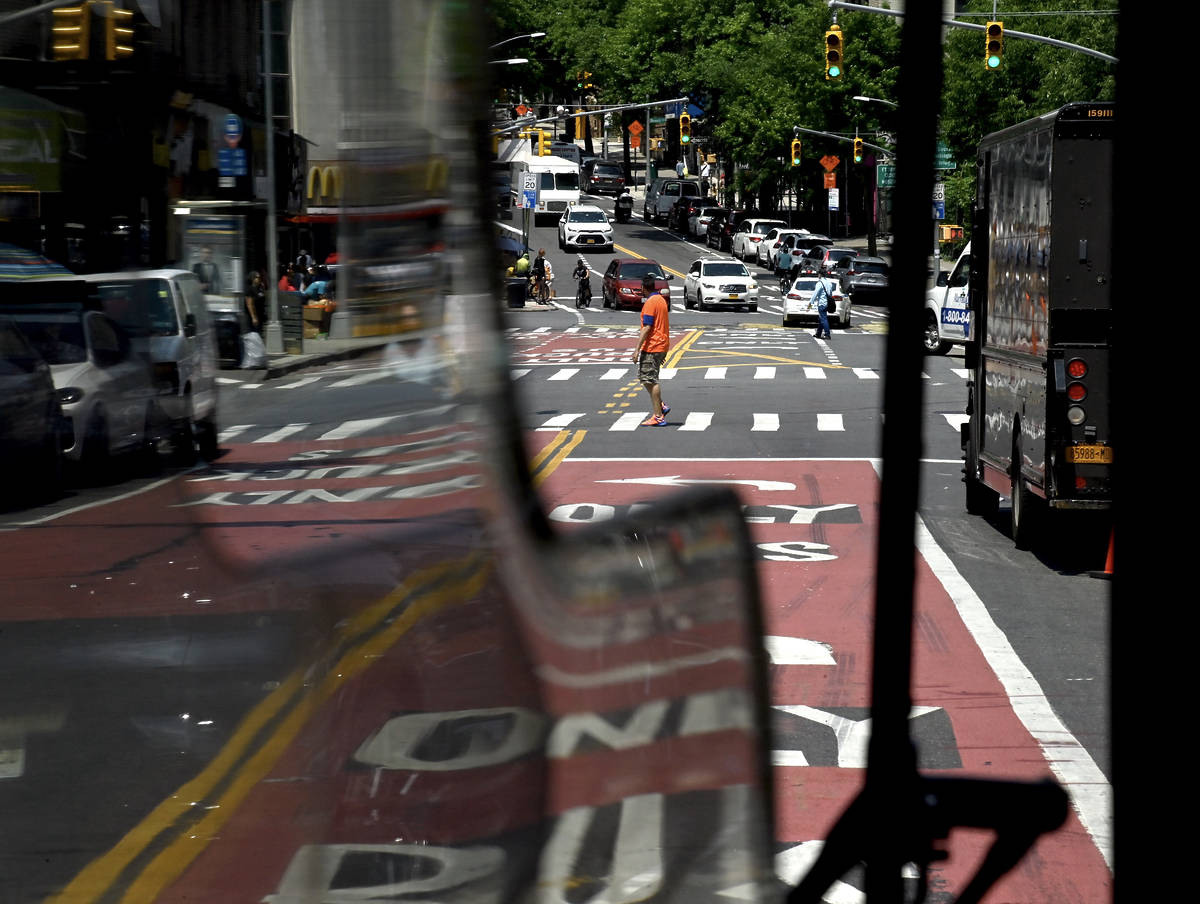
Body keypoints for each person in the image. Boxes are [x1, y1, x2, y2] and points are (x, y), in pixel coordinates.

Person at [633, 274, 671, 426]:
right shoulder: (661, 300)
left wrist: (637, 349)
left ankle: (658, 416)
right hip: (661, 344)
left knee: (650, 380)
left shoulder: (650, 302)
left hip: (653, 345)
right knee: (645, 377)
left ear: (643, 288)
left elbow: (647, 327)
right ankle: (661, 406)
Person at [812, 272, 835, 340]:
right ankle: (818, 333)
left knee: (823, 318)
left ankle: (827, 334)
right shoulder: (829, 283)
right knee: (821, 318)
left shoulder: (820, 283)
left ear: (820, 275)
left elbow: (815, 293)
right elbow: (830, 293)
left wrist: (811, 302)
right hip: (827, 303)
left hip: (822, 303)